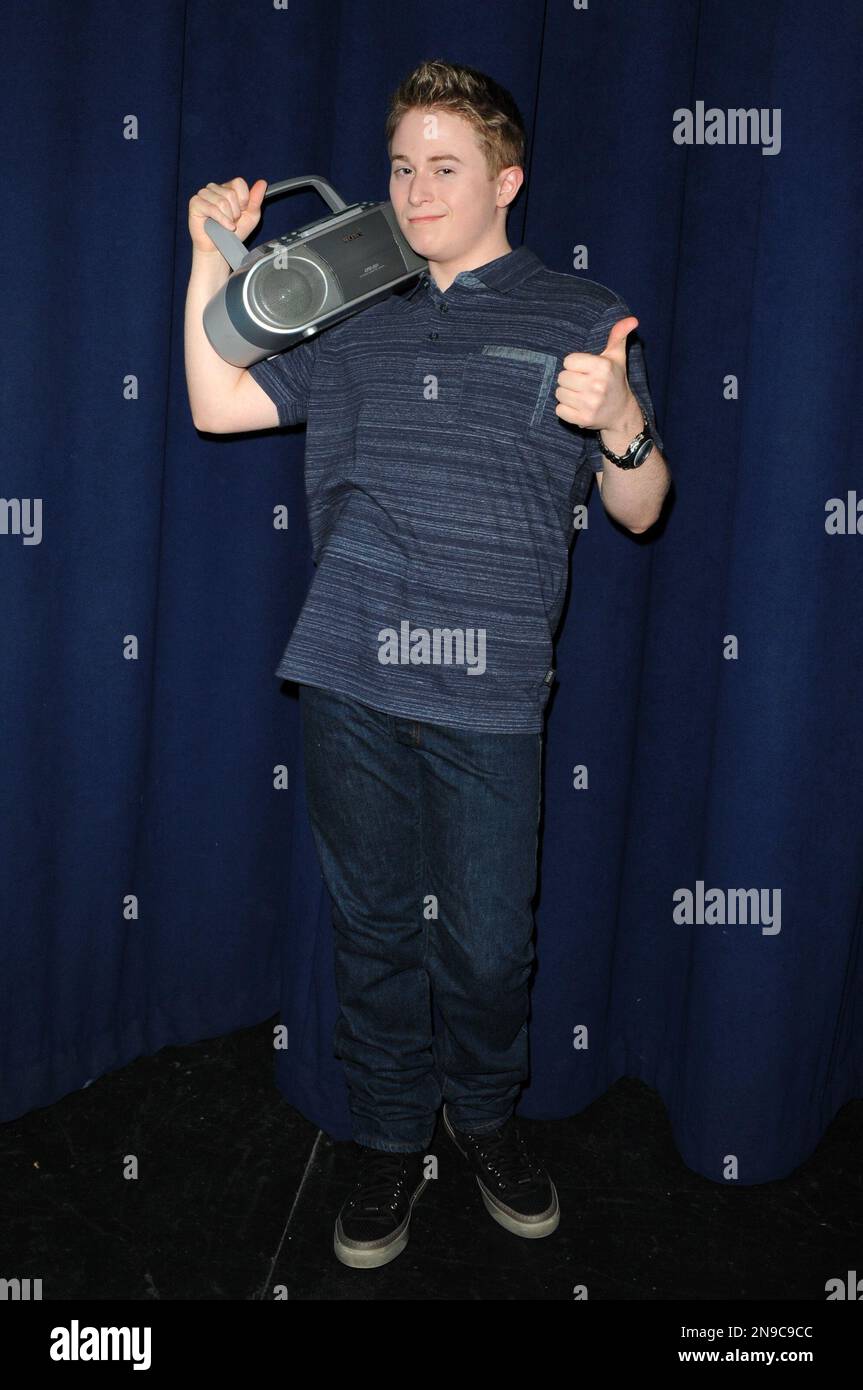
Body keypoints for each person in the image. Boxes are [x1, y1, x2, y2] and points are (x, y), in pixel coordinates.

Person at [185, 58, 671, 1271]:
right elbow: (213, 404)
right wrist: (212, 263)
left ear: (506, 179)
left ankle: (488, 1121)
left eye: (442, 167)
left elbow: (639, 509)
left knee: (490, 946)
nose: (412, 189)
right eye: (400, 167)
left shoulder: (579, 312)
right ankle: (392, 1137)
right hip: (349, 676)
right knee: (376, 932)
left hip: (493, 693)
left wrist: (621, 425)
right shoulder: (351, 308)